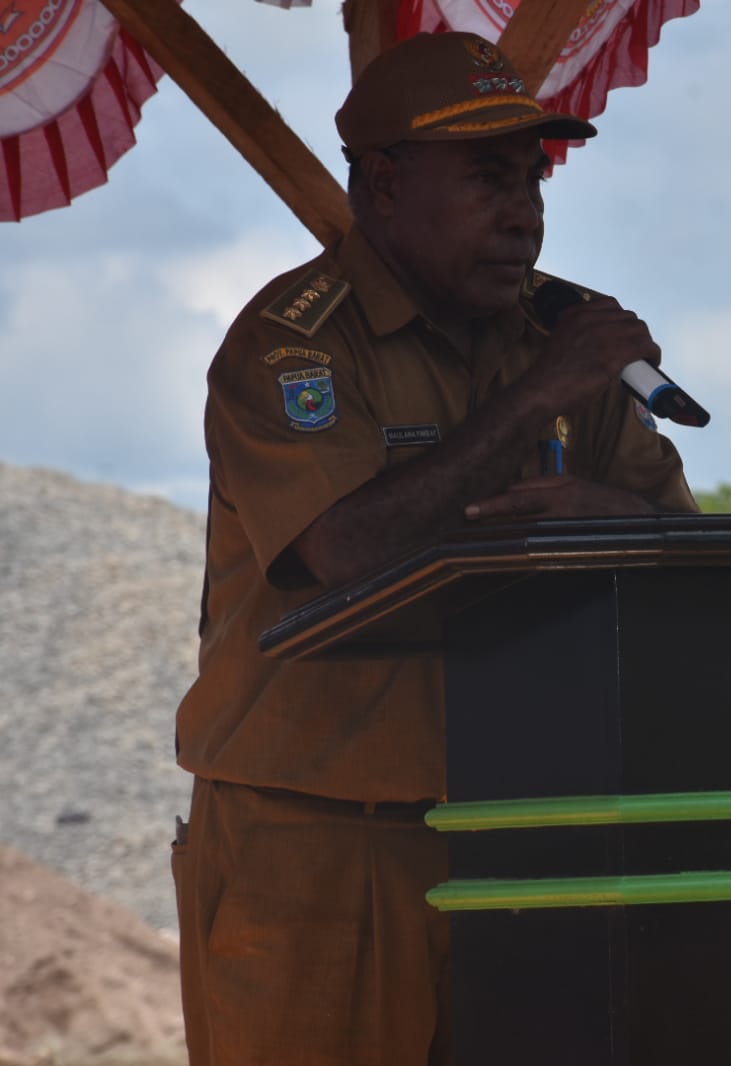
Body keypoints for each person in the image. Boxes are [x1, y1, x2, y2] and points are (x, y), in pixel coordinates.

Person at [170, 30, 698, 1066]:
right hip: (315, 839)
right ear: (383, 188)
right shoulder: (293, 345)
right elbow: (343, 547)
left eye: (534, 180)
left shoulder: (565, 341)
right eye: (488, 179)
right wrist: (535, 404)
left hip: (525, 833)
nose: (525, 213)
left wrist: (616, 518)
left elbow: (686, 554)